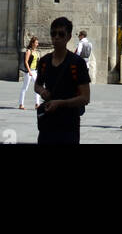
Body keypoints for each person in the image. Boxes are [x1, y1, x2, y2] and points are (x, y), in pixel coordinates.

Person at [35, 17, 91, 146]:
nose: (56, 37)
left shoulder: (77, 63)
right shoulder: (44, 61)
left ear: (69, 37)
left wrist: (61, 103)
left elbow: (85, 98)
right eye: (53, 33)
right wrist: (42, 91)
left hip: (68, 124)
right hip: (47, 123)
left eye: (61, 34)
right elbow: (37, 85)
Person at [19, 35, 40, 109]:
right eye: (36, 43)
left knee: (38, 87)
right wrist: (29, 71)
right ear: (32, 43)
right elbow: (26, 61)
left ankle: (37, 104)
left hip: (35, 71)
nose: (37, 44)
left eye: (37, 43)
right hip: (29, 71)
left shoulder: (37, 52)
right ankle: (21, 104)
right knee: (25, 88)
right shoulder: (29, 51)